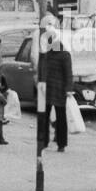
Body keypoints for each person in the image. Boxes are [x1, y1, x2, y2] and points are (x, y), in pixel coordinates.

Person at [40, 20, 73, 152]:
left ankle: (60, 143)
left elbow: (68, 73)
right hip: (49, 89)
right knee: (47, 116)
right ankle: (48, 142)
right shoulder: (48, 54)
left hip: (57, 90)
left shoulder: (64, 55)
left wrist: (69, 89)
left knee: (59, 117)